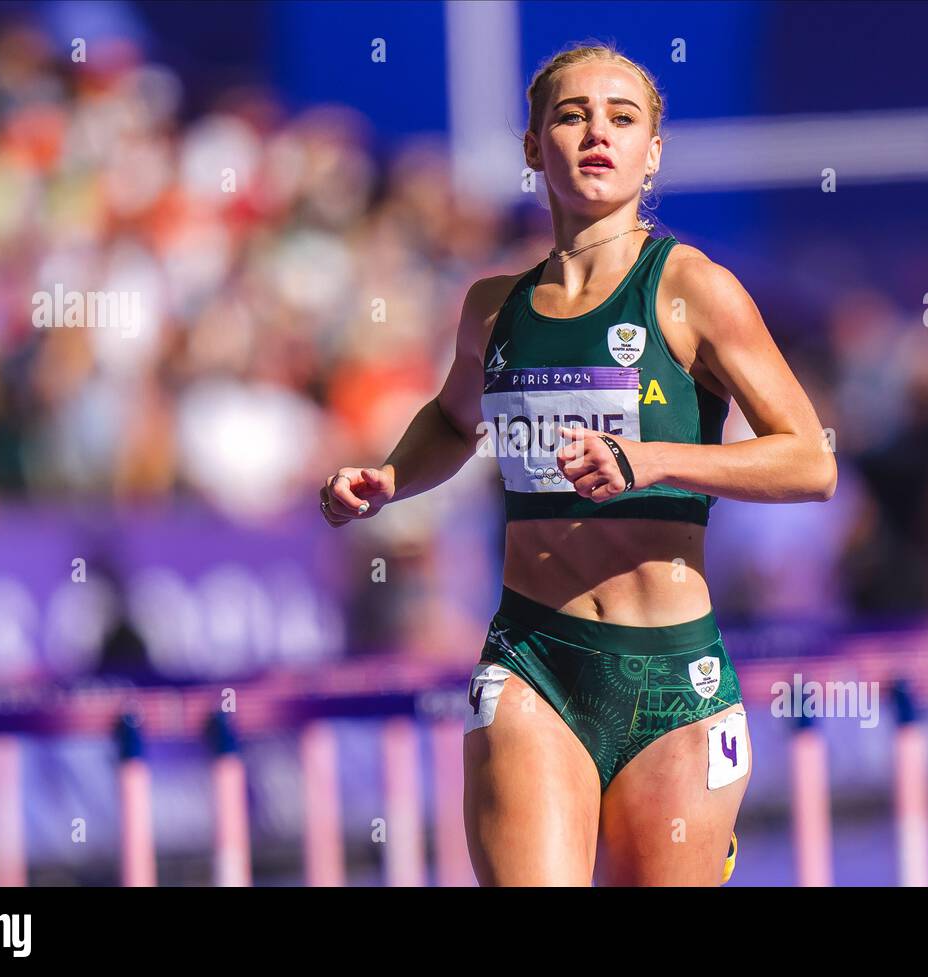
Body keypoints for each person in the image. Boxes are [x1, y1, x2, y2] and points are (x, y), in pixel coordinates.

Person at [320, 43, 836, 885]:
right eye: (572, 114)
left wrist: (652, 459)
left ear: (652, 152)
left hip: (674, 679)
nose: (598, 132)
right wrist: (389, 477)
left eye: (623, 118)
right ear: (533, 146)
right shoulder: (493, 309)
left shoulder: (693, 289)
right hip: (532, 658)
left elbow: (812, 461)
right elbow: (454, 423)